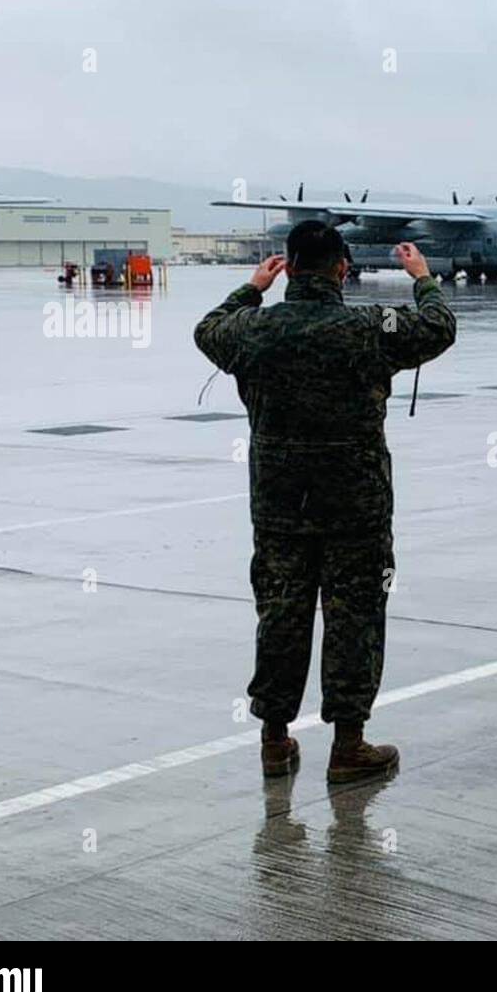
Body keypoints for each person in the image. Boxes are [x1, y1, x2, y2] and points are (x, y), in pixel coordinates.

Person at [194, 222, 456, 783]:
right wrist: (423, 279)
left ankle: (273, 739)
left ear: (288, 266)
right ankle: (348, 745)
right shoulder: (367, 327)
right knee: (354, 616)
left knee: (282, 614)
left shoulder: (254, 329)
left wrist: (251, 288)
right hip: (354, 505)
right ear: (343, 270)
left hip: (280, 506)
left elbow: (207, 329)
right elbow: (437, 328)